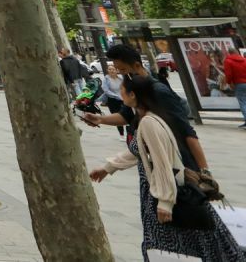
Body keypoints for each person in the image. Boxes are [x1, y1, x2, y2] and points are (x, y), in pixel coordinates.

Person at [91, 74, 242, 261]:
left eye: (123, 90)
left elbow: (162, 162)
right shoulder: (151, 117)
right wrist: (108, 168)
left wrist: (165, 201)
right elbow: (140, 152)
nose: (120, 93)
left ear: (132, 95)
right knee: (186, 245)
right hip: (160, 190)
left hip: (164, 192)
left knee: (172, 247)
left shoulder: (148, 123)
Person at [83, 43, 210, 176]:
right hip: (152, 169)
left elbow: (187, 132)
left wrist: (204, 172)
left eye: (124, 70)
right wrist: (100, 119)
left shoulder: (158, 92)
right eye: (119, 71)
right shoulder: (134, 90)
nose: (122, 76)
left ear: (137, 66)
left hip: (176, 169)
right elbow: (126, 116)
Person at [223, 45, 246, 129]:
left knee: (243, 102)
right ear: (236, 52)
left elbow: (228, 74)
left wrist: (229, 83)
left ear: (229, 53)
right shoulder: (244, 60)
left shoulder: (228, 61)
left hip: (239, 84)